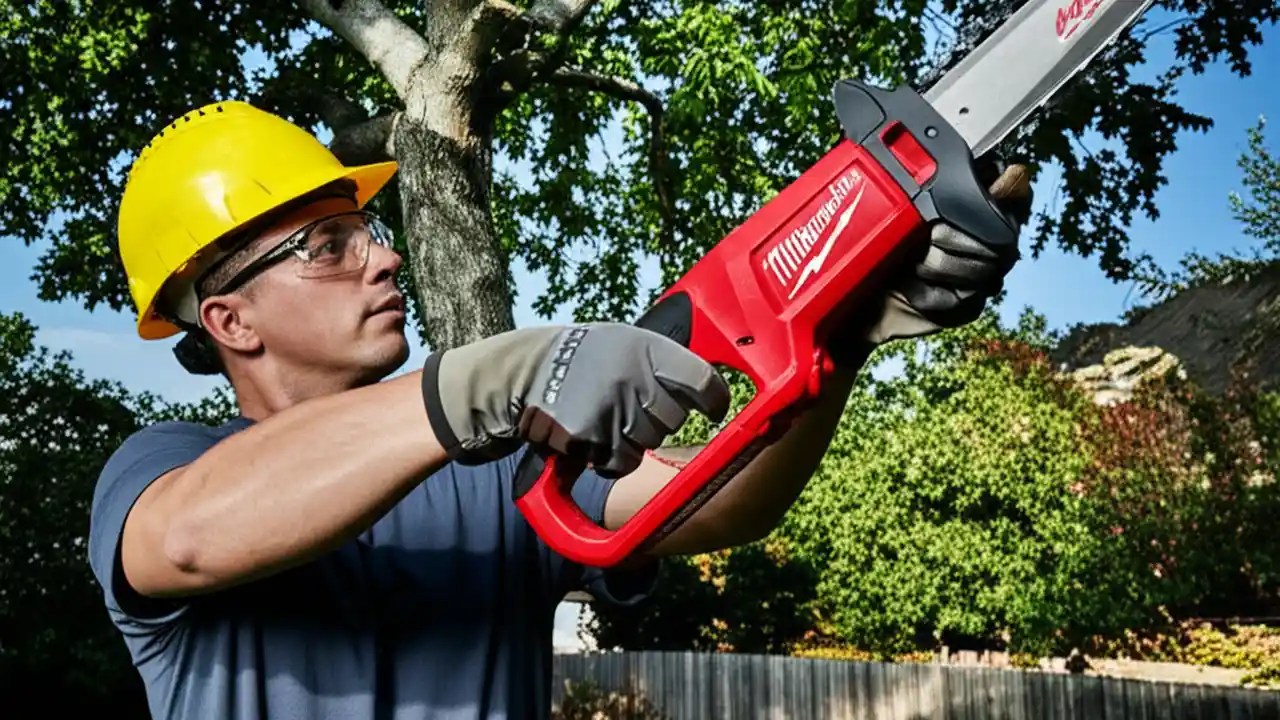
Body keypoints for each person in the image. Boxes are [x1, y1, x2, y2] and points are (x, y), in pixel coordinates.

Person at [88, 100, 1032, 720]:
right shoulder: (164, 465)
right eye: (329, 246)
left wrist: (841, 324)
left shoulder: (495, 468)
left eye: (370, 233)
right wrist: (486, 378)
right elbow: (190, 539)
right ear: (230, 319)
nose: (382, 259)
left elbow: (725, 503)